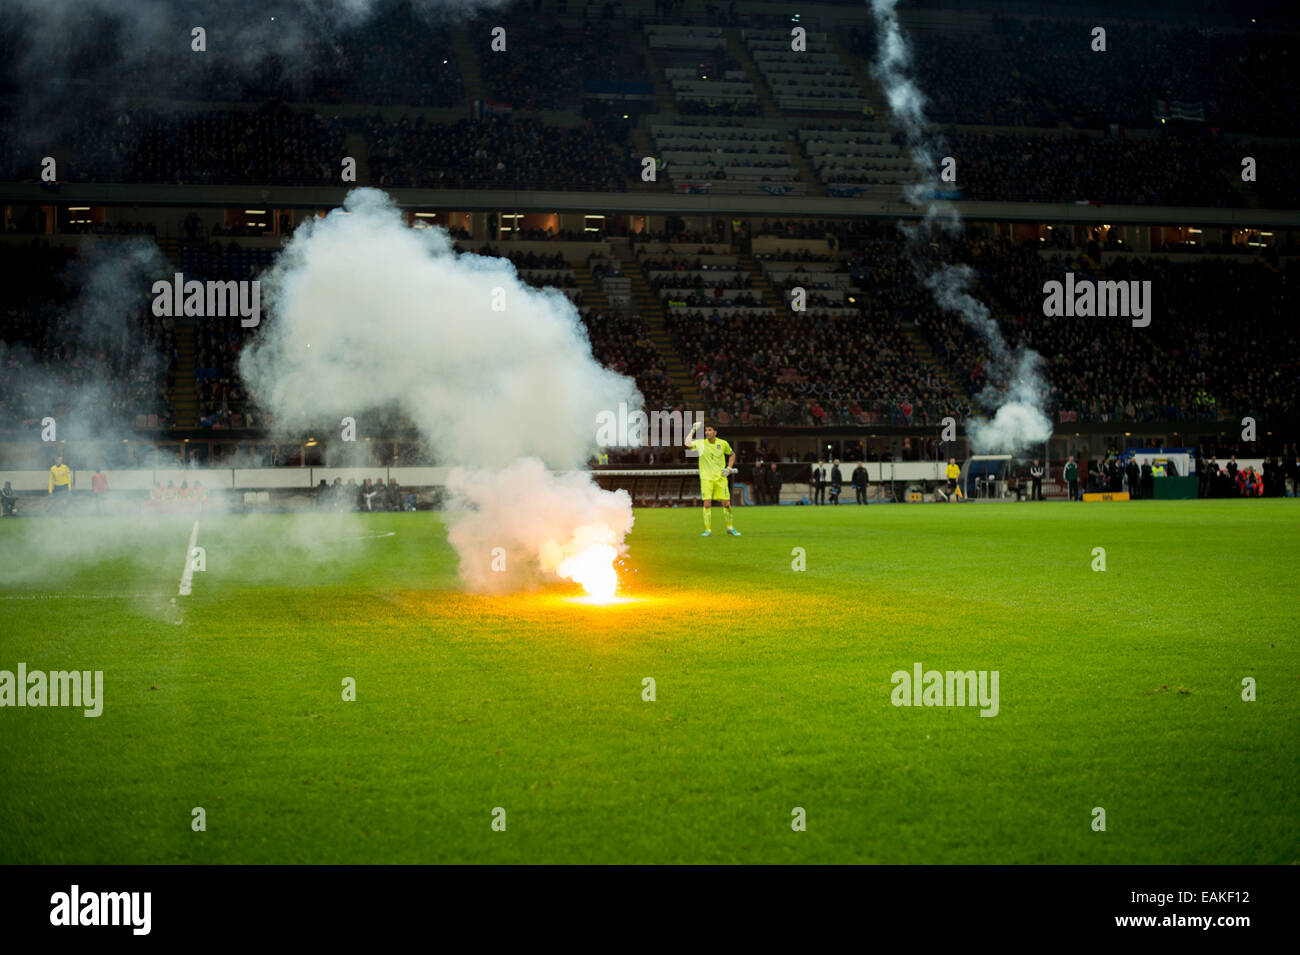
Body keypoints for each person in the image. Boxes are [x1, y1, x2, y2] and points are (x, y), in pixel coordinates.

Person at [686, 420, 739, 536]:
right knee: (707, 504)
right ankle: (708, 530)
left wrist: (729, 468)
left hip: (720, 478)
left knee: (726, 503)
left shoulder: (723, 443)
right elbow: (687, 444)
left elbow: (732, 454)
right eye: (706, 430)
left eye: (710, 430)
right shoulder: (701, 443)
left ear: (715, 432)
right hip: (706, 478)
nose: (707, 432)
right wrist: (693, 430)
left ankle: (730, 528)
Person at [48, 454, 72, 519]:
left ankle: (63, 516)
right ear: (56, 460)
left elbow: (69, 478)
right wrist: (50, 491)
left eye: (61, 460)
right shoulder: (52, 469)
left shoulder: (65, 467)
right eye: (58, 460)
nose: (60, 461)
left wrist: (69, 489)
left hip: (64, 487)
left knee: (64, 503)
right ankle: (61, 515)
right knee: (58, 503)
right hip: (57, 487)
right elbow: (50, 480)